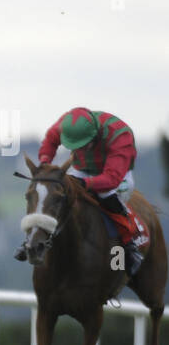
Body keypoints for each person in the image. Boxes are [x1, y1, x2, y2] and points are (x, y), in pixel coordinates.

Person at [15, 107, 143, 275]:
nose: (80, 150)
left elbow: (111, 179)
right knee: (59, 197)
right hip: (82, 169)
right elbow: (50, 141)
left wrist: (84, 183)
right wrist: (45, 163)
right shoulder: (66, 124)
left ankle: (128, 246)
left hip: (118, 175)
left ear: (95, 135)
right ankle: (34, 239)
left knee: (106, 195)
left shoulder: (120, 135)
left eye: (83, 145)